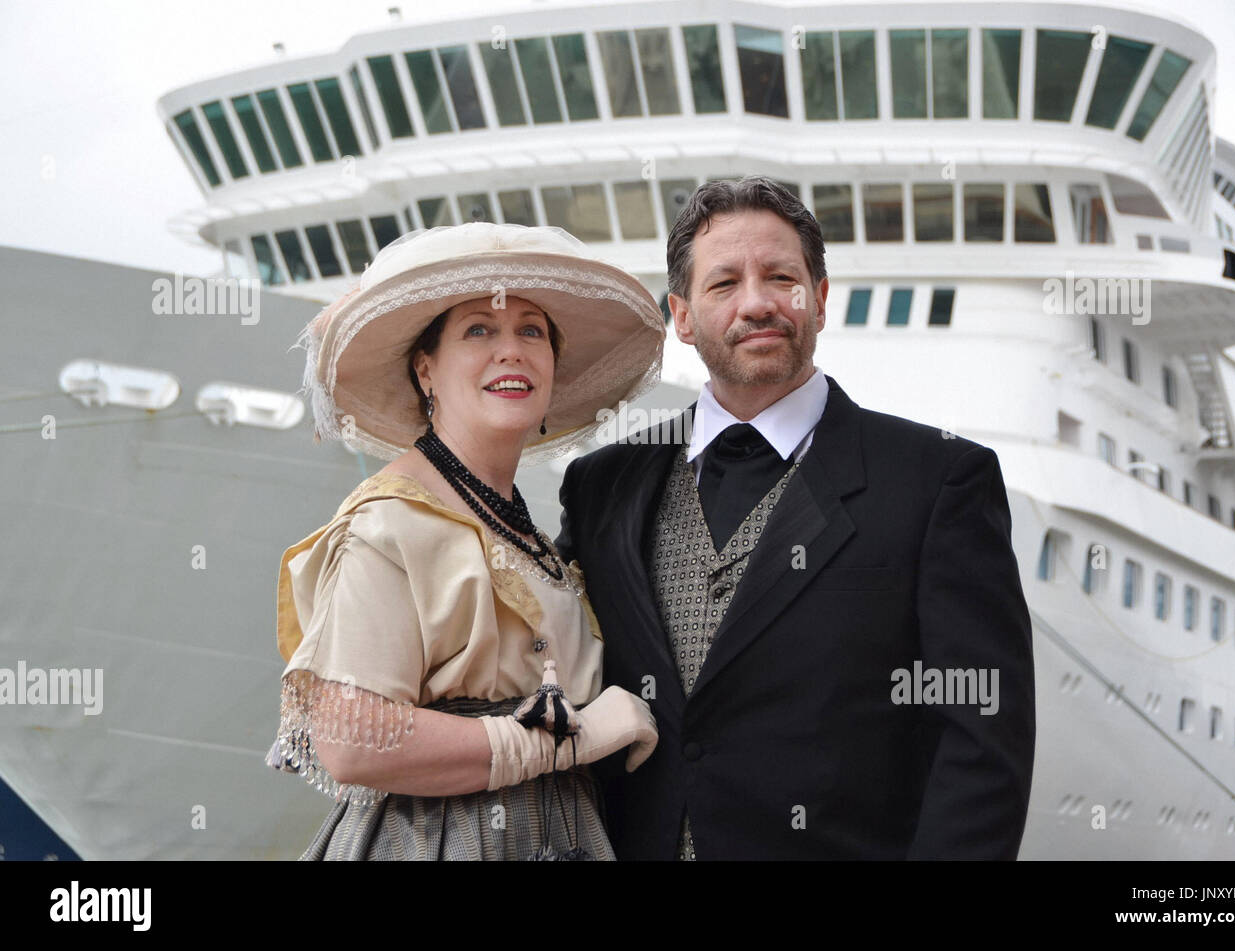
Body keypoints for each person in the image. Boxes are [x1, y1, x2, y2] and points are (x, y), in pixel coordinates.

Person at [556, 176, 1036, 860]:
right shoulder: (602, 486)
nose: (757, 303)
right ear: (683, 316)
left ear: (819, 297)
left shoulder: (938, 482)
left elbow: (983, 747)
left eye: (781, 277)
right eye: (724, 284)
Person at [268, 222, 664, 860]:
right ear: (426, 368)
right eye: (479, 329)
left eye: (531, 331)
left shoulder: (518, 525)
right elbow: (349, 740)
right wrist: (574, 738)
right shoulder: (391, 522)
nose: (511, 351)